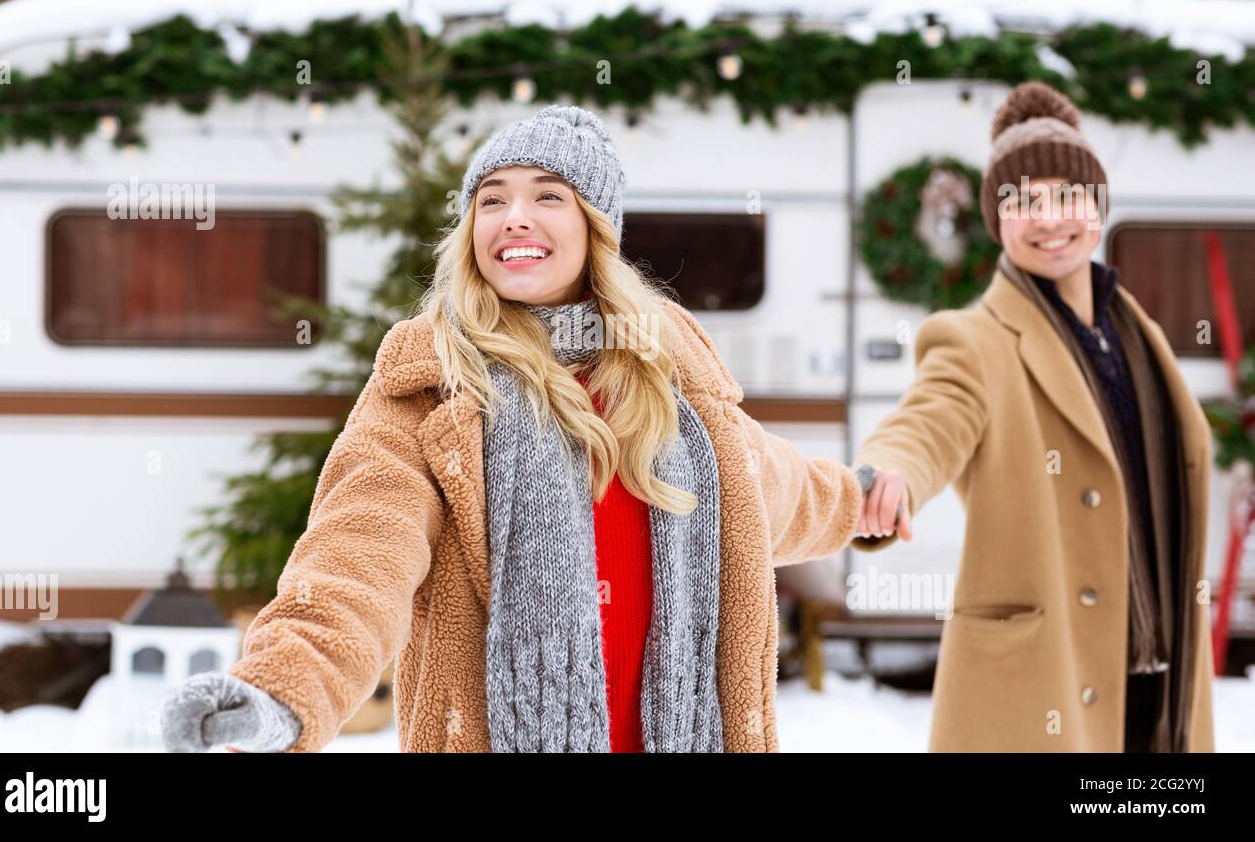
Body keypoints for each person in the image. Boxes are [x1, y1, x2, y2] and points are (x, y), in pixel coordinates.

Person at [161, 104, 864, 753]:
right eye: (491, 199)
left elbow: (776, 484)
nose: (514, 217)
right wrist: (282, 685)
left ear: (596, 226)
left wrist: (863, 500)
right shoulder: (436, 381)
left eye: (547, 196)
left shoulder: (671, 375)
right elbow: (357, 549)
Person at [851, 82, 1216, 752]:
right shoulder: (974, 338)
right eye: (1023, 201)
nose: (1048, 217)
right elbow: (930, 417)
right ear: (997, 220)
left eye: (1067, 195)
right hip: (1051, 687)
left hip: (1163, 688)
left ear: (1097, 208)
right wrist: (888, 472)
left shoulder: (1136, 332)